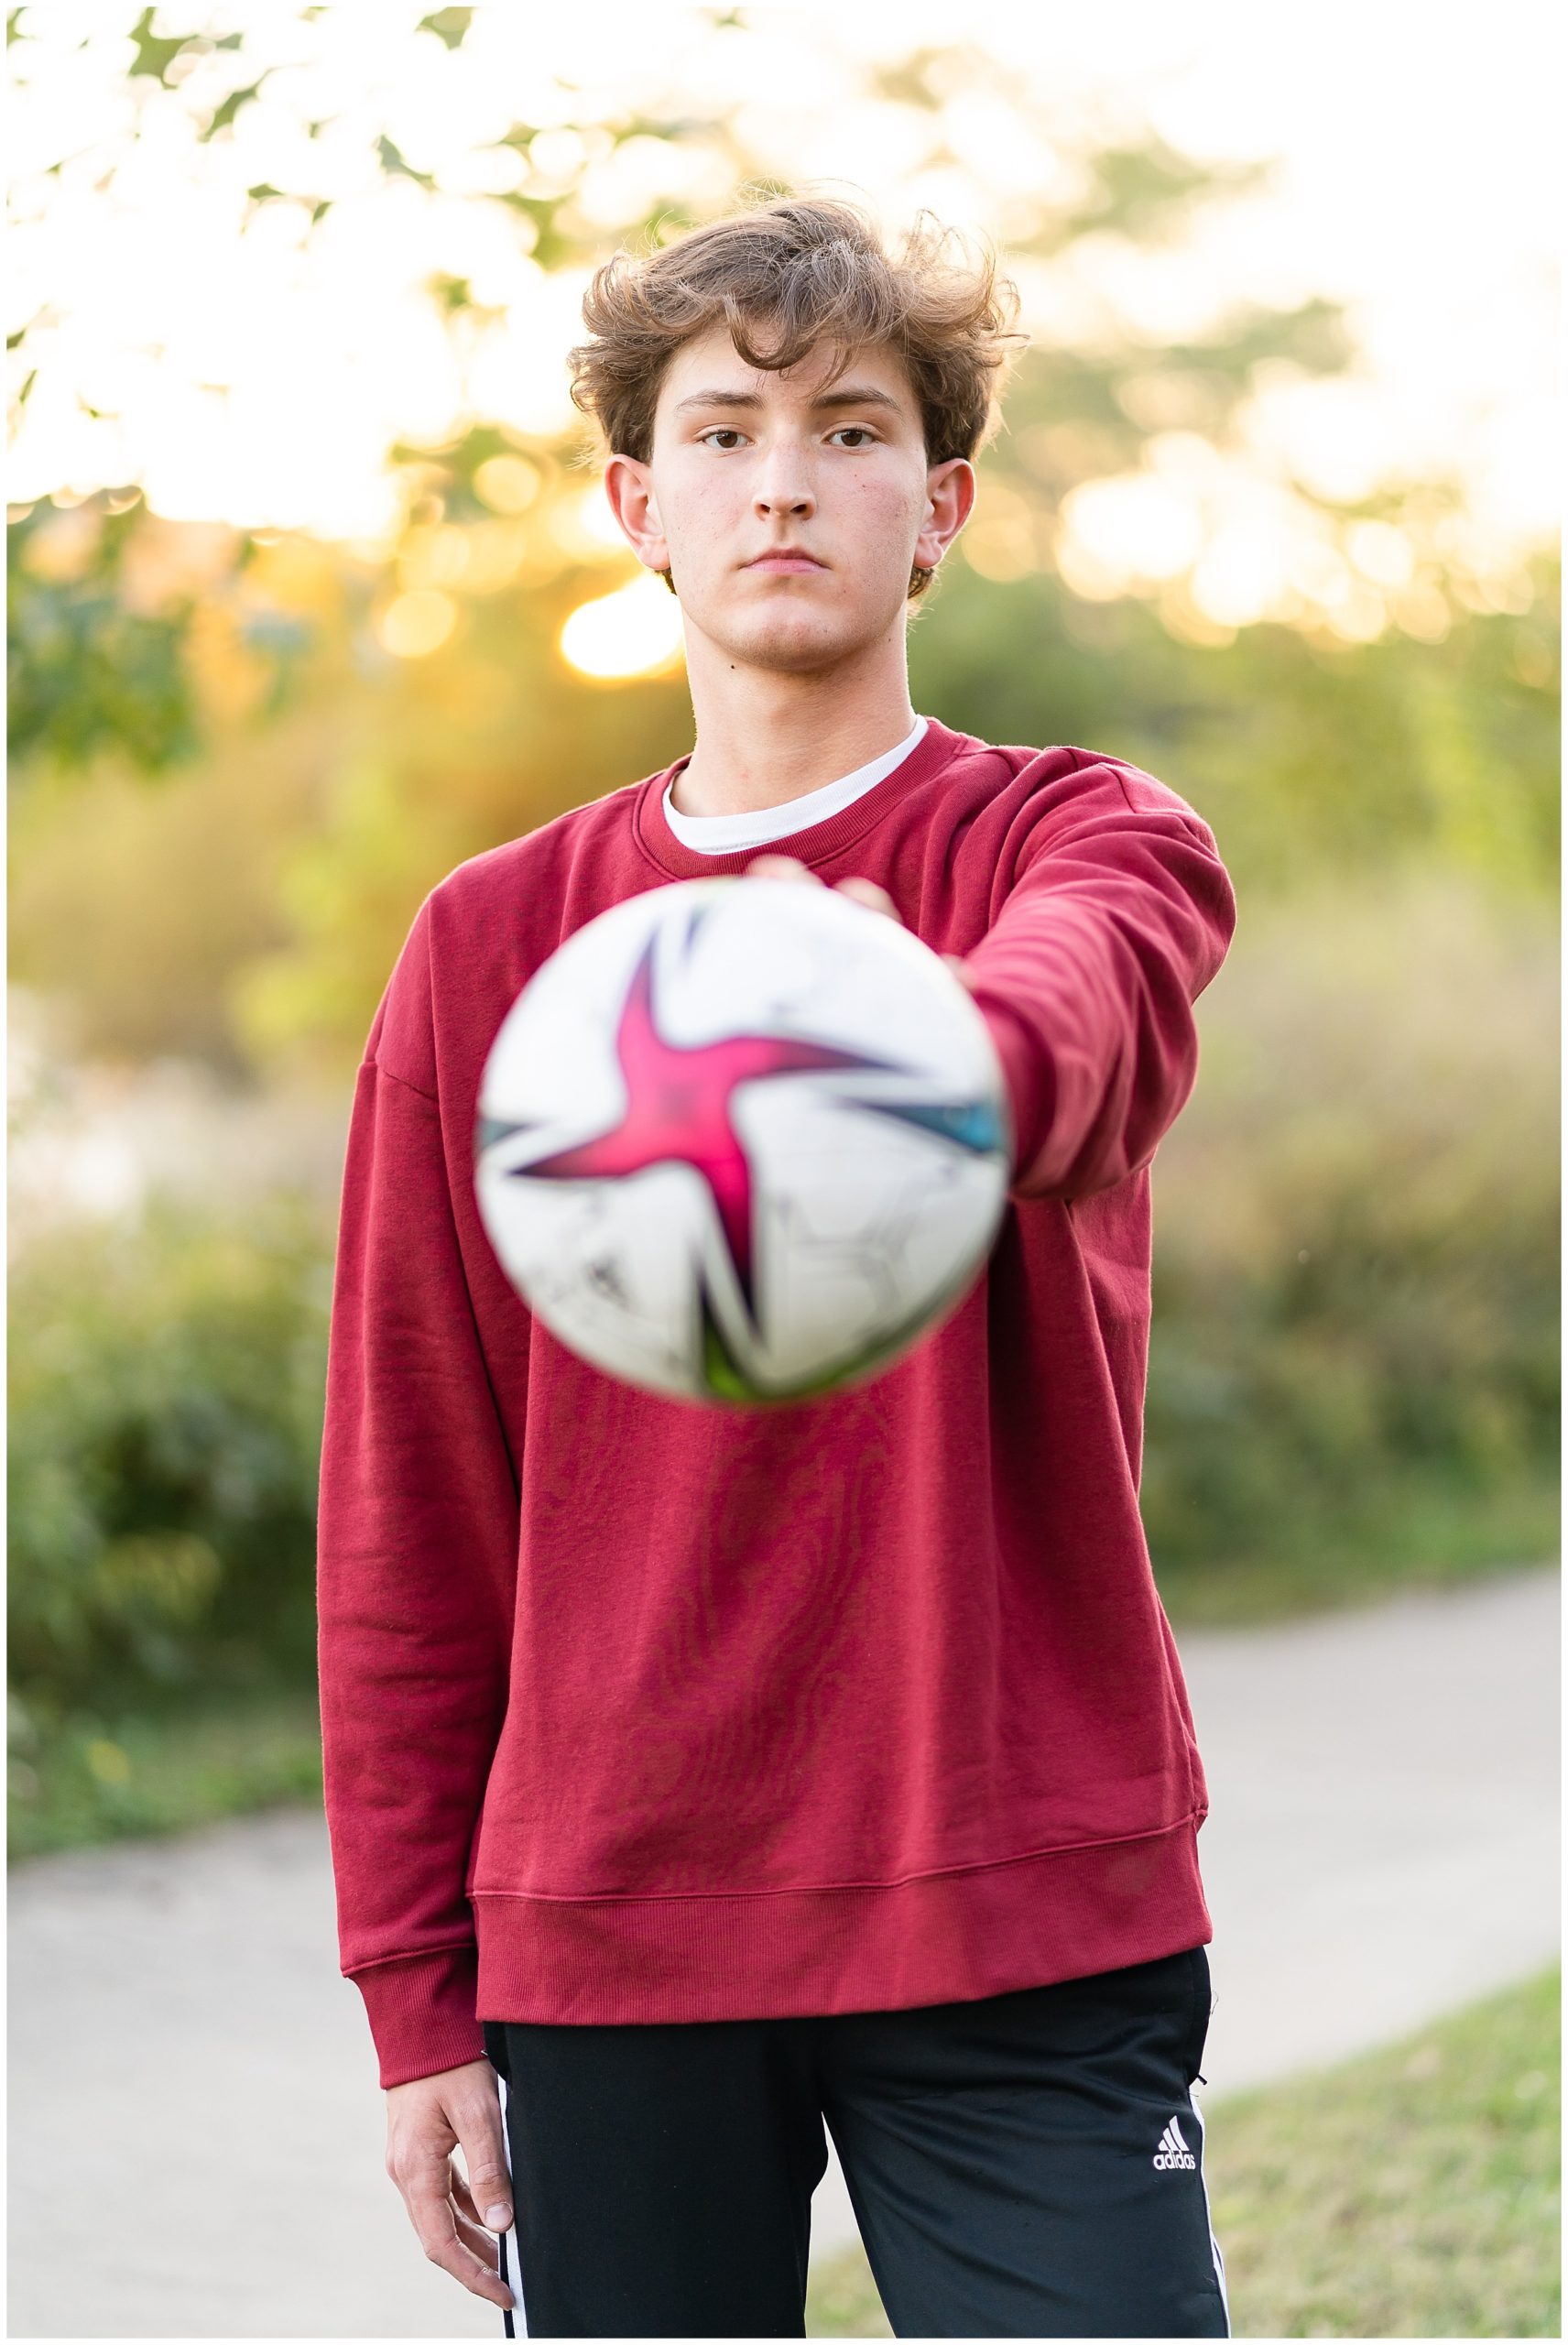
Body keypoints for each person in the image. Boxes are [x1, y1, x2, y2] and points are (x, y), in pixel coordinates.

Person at [316, 192, 1236, 2340]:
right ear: (639, 504)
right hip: (611, 1927)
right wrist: (416, 1993)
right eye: (723, 433)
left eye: (847, 427)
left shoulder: (1075, 841)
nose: (786, 479)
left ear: (941, 506)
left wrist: (842, 1065)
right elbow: (414, 1505)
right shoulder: (489, 952)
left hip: (1021, 1897)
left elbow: (1072, 1024)